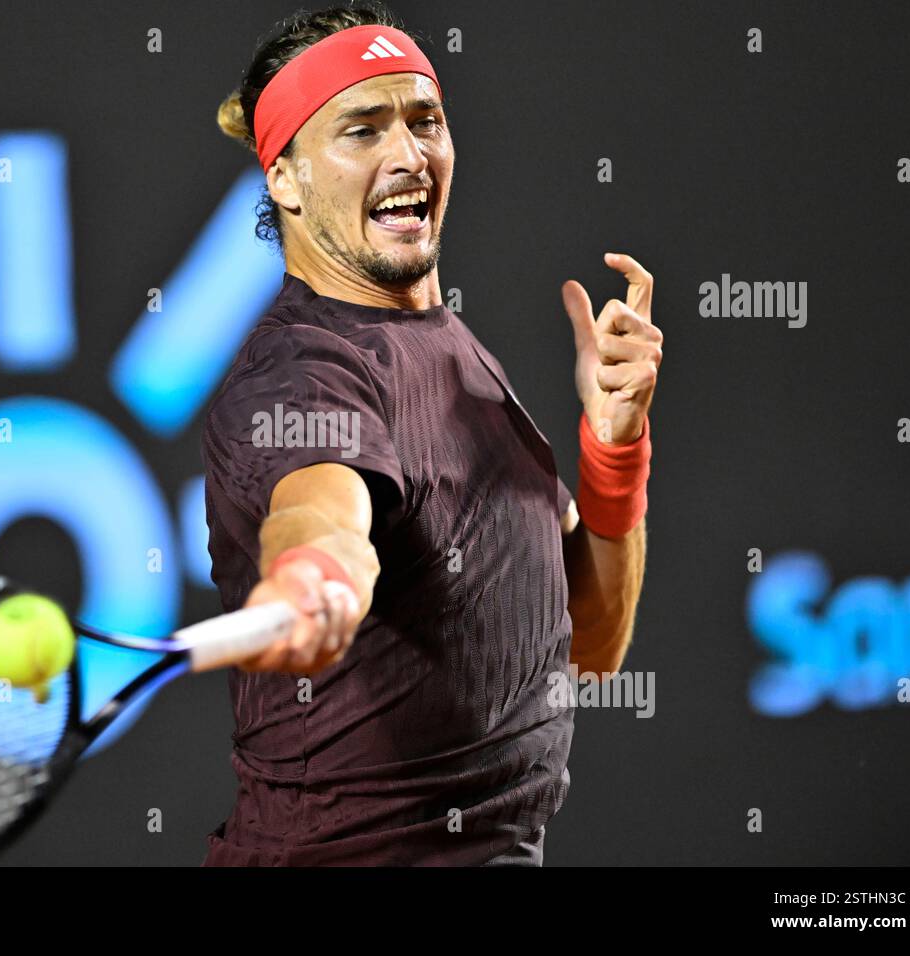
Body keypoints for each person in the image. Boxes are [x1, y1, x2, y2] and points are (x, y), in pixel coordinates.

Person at [201, 2, 661, 866]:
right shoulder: (303, 371)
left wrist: (612, 452)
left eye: (425, 121)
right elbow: (321, 510)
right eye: (362, 130)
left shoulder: (451, 350)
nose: (408, 155)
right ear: (286, 180)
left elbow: (591, 643)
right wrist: (314, 572)